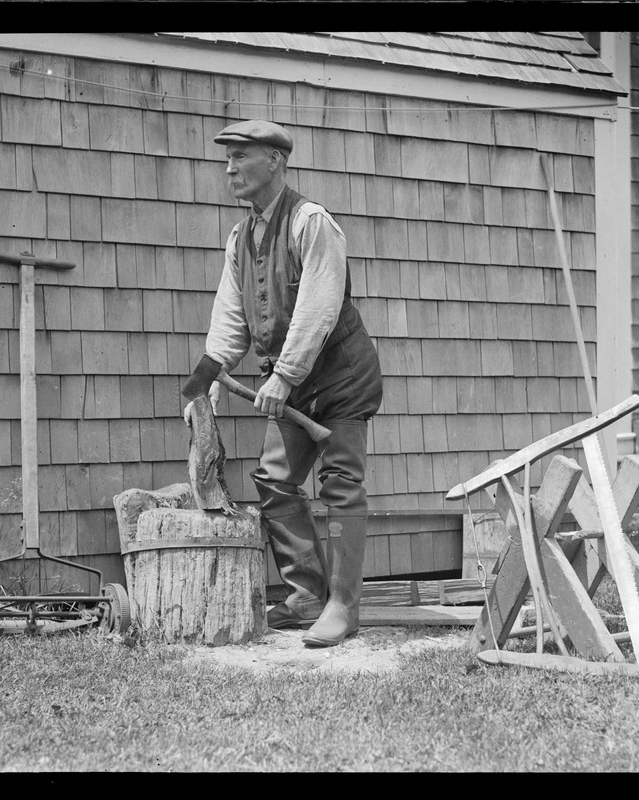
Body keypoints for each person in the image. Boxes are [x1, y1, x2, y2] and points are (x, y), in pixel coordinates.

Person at [182, 119, 383, 647]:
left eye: (241, 157)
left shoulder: (310, 223)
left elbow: (318, 307)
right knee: (274, 481)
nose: (230, 169)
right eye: (227, 159)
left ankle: (342, 606)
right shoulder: (241, 237)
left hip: (339, 377)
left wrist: (285, 375)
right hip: (293, 385)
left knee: (340, 485)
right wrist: (202, 382)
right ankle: (307, 596)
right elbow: (231, 317)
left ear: (274, 160)